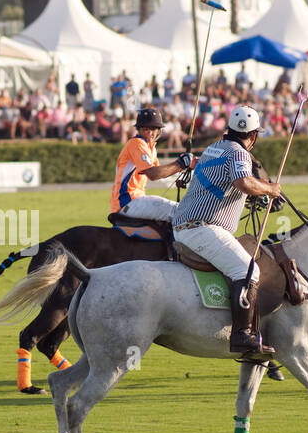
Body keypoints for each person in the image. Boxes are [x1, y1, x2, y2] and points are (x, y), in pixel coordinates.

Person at [172, 105, 283, 358]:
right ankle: (243, 334)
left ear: (229, 129)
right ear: (253, 136)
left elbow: (230, 184)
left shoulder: (213, 148)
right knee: (249, 270)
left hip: (183, 224)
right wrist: (270, 189)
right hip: (201, 228)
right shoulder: (240, 154)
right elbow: (243, 182)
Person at [110, 107, 191, 220]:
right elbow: (153, 174)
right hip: (127, 201)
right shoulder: (137, 143)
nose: (149, 132)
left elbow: (160, 171)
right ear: (139, 129)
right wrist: (180, 164)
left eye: (153, 128)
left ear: (159, 130)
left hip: (135, 200)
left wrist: (183, 165)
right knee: (177, 211)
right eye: (145, 128)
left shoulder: (151, 147)